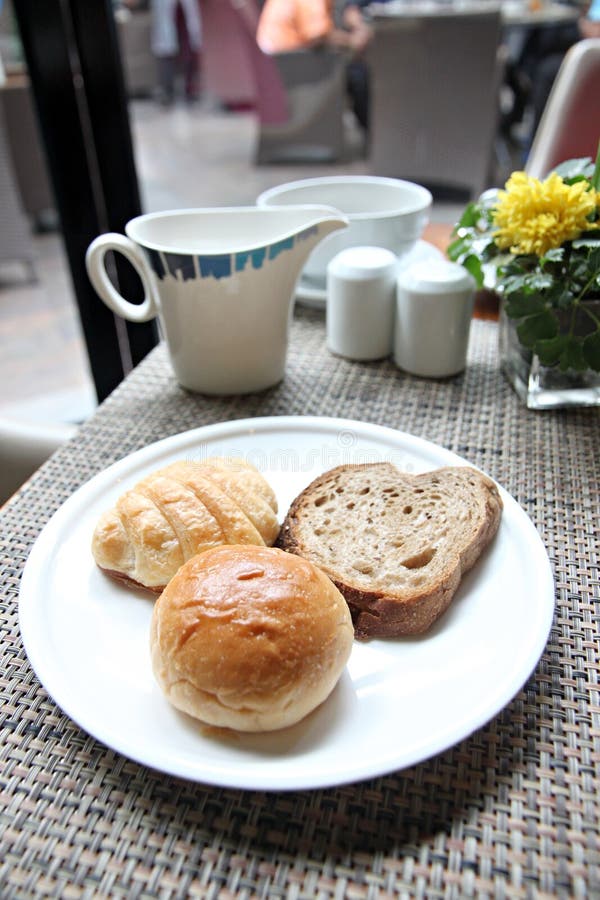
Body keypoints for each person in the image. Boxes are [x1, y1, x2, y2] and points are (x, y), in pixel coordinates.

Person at [256, 0, 372, 132]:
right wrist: (352, 41)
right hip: (294, 66)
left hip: (280, 65)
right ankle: (376, 134)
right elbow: (317, 36)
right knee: (359, 76)